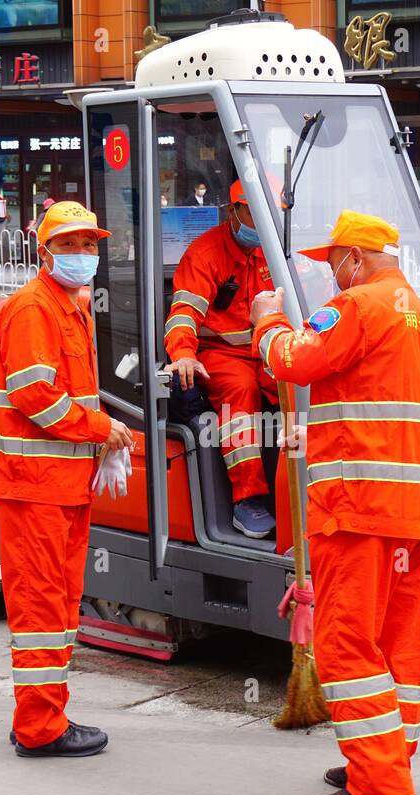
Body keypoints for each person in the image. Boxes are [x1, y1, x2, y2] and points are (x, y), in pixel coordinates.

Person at [250, 210, 420, 795]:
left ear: (358, 259)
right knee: (401, 647)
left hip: (360, 506)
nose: (333, 278)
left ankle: (379, 784)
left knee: (345, 642)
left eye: (334, 264)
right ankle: (385, 754)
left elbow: (295, 360)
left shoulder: (360, 306)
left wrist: (266, 323)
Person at [0, 200, 134, 758]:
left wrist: (102, 442)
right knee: (43, 606)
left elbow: (68, 393)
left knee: (60, 604)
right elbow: (34, 394)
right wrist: (100, 430)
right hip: (34, 485)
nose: (82, 254)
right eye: (68, 244)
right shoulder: (34, 309)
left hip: (60, 485)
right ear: (44, 251)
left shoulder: (68, 307)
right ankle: (40, 729)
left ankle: (41, 713)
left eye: (89, 244)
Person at [164, 179, 277, 538]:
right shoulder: (206, 253)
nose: (263, 221)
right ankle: (248, 500)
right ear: (234, 211)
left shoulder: (273, 250)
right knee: (240, 392)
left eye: (271, 213)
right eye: (255, 213)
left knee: (298, 383)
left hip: (265, 349)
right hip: (220, 355)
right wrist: (182, 353)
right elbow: (183, 312)